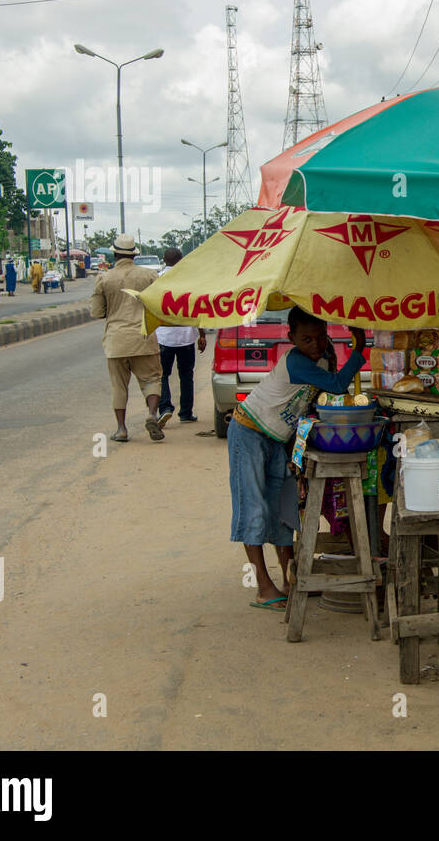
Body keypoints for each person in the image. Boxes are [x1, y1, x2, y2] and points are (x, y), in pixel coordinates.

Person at [229, 308, 366, 610]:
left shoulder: (319, 356)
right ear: (291, 337)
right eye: (306, 339)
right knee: (253, 508)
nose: (314, 345)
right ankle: (263, 587)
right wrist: (360, 347)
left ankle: (291, 581)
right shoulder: (295, 360)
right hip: (248, 432)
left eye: (320, 338)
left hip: (277, 439)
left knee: (283, 511)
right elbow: (337, 384)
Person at [90, 233, 163, 443]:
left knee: (119, 386)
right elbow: (159, 304)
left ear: (114, 253)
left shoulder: (104, 278)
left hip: (116, 340)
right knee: (152, 379)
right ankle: (151, 414)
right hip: (143, 337)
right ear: (134, 255)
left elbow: (97, 312)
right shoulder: (150, 276)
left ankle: (121, 429)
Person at [155, 247, 207, 426]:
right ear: (182, 260)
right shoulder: (190, 280)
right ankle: (186, 412)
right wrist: (202, 335)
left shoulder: (157, 279)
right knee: (186, 375)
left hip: (163, 337)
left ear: (163, 259)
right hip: (186, 336)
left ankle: (165, 408)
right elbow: (197, 308)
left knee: (162, 375)